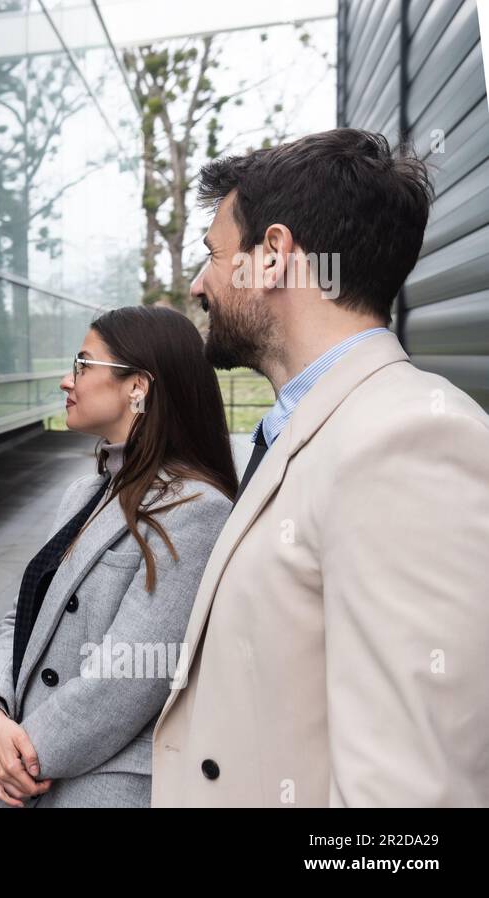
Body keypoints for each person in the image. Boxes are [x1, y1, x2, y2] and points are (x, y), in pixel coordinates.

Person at [155, 128, 489, 806]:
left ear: (273, 255)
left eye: (214, 256)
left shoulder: (408, 440)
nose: (198, 284)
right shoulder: (314, 425)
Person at [0, 305, 235, 808]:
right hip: (22, 773)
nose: (68, 380)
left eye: (83, 365)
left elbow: (123, 683)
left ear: (138, 387)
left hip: (88, 790)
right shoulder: (85, 492)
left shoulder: (195, 511)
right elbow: (18, 619)